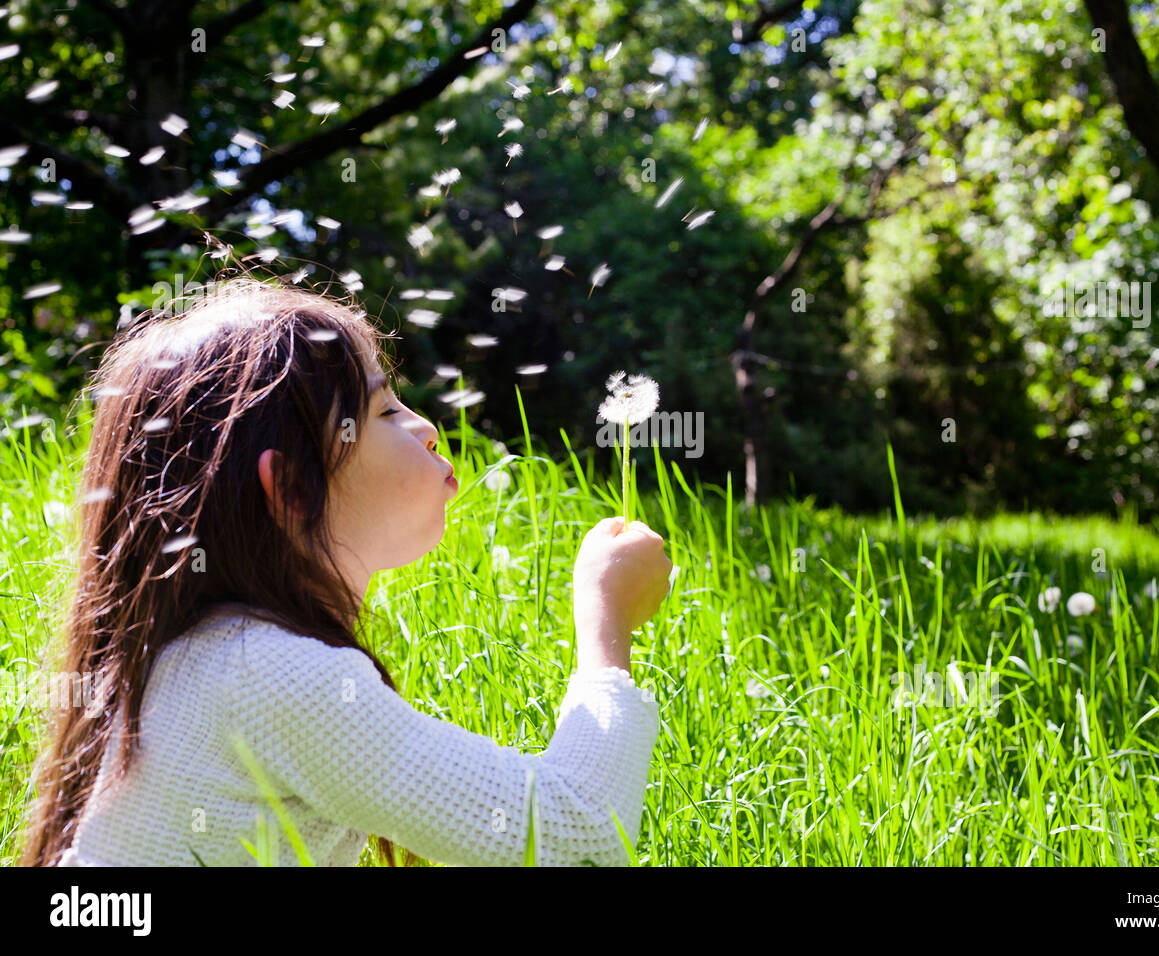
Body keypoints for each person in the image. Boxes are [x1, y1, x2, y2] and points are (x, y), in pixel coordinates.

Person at [20, 275, 672, 866]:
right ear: (294, 491)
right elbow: (575, 838)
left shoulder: (202, 656)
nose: (427, 431)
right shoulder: (270, 673)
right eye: (386, 411)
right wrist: (606, 619)